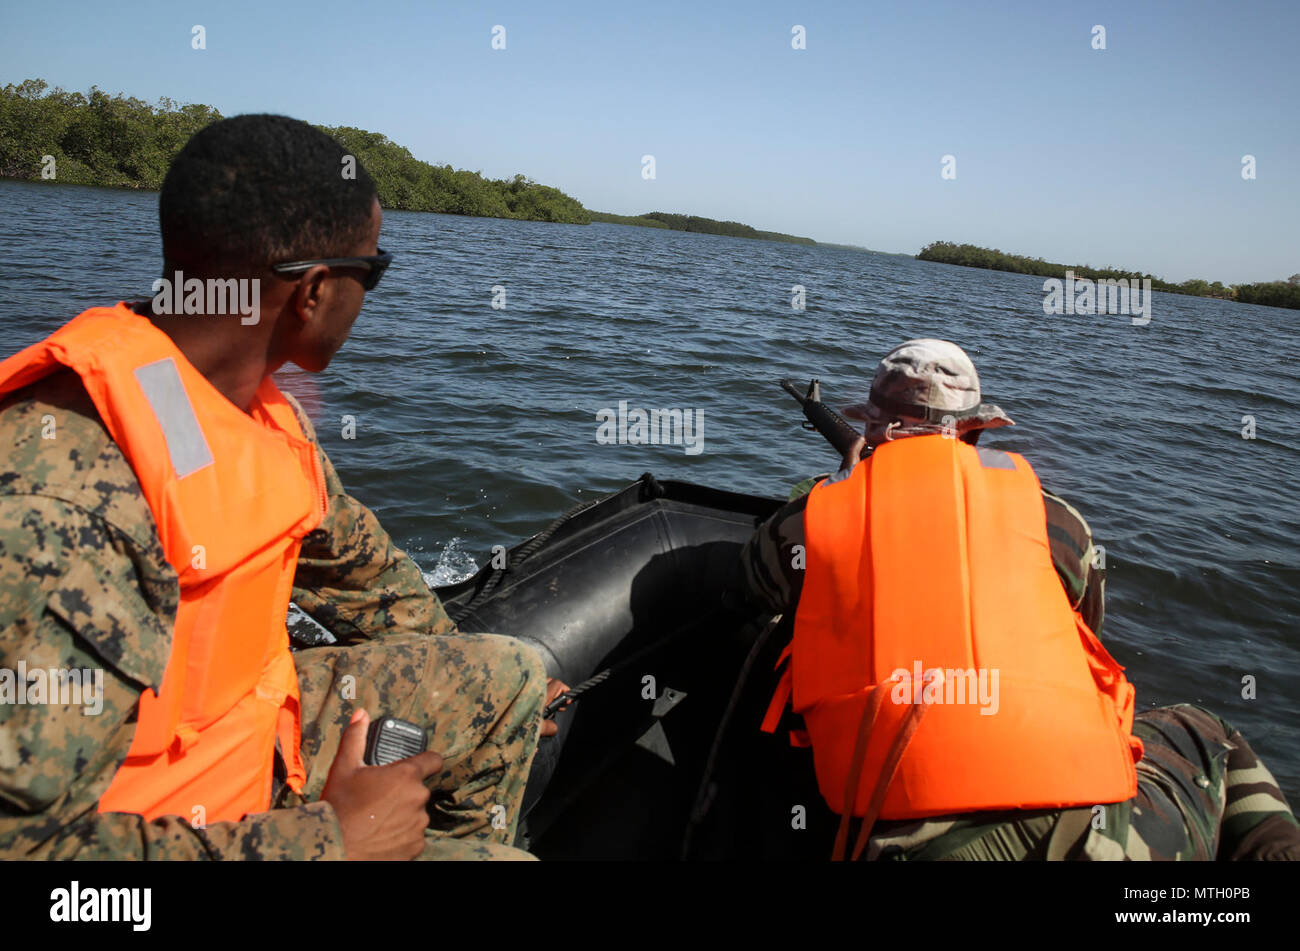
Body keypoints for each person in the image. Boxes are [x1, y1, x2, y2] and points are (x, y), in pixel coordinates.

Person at [0, 114, 566, 860]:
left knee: (513, 676)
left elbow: (357, 564)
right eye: (375, 269)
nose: (372, 294)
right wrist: (331, 841)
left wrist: (455, 655)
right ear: (316, 291)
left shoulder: (233, 401)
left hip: (251, 743)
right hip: (165, 835)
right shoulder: (61, 502)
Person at [740, 339, 1300, 860]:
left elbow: (746, 590)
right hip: (1089, 822)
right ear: (976, 431)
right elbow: (1081, 633)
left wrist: (840, 491)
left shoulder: (811, 517)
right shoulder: (1054, 518)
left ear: (873, 424)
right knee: (1207, 733)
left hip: (901, 835)